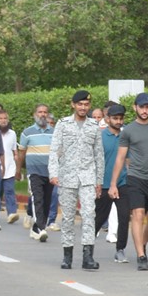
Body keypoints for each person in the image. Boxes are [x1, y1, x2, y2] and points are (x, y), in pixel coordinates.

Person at [108, 92, 148, 271]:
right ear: (135, 107)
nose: (145, 110)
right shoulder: (129, 131)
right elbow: (120, 158)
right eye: (141, 107)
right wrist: (113, 183)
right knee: (138, 214)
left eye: (147, 107)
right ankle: (141, 255)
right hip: (135, 178)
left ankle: (142, 244)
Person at [50, 90, 105, 272]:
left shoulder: (94, 126)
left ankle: (88, 256)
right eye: (80, 104)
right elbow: (54, 150)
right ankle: (67, 256)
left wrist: (99, 181)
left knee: (89, 214)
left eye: (86, 104)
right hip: (67, 176)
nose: (83, 107)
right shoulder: (63, 124)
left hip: (88, 176)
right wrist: (53, 173)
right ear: (73, 105)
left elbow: (99, 155)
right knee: (67, 217)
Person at [97, 103, 130, 263]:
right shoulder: (100, 136)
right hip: (103, 184)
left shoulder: (126, 137)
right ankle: (87, 248)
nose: (118, 121)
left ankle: (120, 249)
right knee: (99, 218)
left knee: (124, 216)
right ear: (107, 118)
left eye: (120, 118)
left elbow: (129, 159)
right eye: (115, 118)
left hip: (123, 183)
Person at [20, 103, 57, 241]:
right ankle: (40, 228)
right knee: (38, 199)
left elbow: (59, 152)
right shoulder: (27, 132)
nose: (42, 114)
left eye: (45, 112)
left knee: (47, 200)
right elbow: (21, 152)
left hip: (50, 172)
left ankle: (37, 227)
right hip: (34, 171)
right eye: (40, 112)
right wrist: (19, 170)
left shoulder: (54, 132)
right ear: (35, 114)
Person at [0, 106, 21, 224]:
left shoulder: (12, 134)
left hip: (9, 168)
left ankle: (12, 213)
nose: (3, 120)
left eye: (5, 118)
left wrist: (17, 164)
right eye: (0, 118)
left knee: (9, 191)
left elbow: (15, 151)